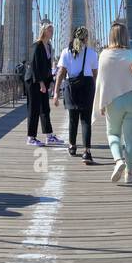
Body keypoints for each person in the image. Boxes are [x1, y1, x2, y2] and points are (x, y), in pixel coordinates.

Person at [93, 20, 132, 185]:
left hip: (113, 101)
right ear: (126, 36)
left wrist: (101, 102)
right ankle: (129, 174)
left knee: (113, 134)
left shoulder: (104, 55)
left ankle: (118, 160)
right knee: (130, 139)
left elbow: (101, 81)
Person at [53, 25, 99, 164]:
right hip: (87, 87)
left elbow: (61, 73)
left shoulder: (66, 52)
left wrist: (56, 92)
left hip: (71, 88)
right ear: (86, 38)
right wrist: (94, 90)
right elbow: (95, 74)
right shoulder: (92, 53)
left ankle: (72, 146)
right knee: (86, 121)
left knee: (73, 119)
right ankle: (87, 152)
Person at [26, 21, 63, 147]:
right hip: (34, 81)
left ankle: (49, 136)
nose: (52, 32)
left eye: (53, 30)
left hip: (43, 81)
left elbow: (47, 67)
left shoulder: (49, 47)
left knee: (45, 109)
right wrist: (41, 82)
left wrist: (51, 81)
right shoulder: (36, 45)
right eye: (50, 30)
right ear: (44, 31)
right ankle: (31, 137)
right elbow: (34, 65)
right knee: (34, 109)